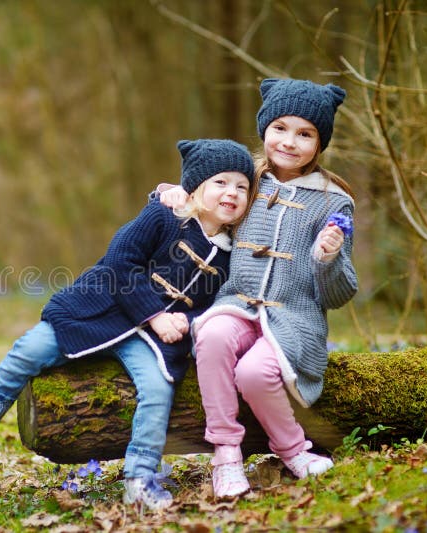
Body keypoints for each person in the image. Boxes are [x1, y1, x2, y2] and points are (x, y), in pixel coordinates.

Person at [0, 139, 255, 510]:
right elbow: (121, 259)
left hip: (155, 340)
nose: (231, 193)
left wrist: (188, 319)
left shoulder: (234, 253)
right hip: (103, 307)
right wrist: (156, 313)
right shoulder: (164, 216)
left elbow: (221, 304)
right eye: (221, 183)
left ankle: (141, 476)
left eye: (242, 187)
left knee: (158, 390)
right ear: (196, 187)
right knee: (32, 346)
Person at [158, 78, 358, 499]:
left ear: (320, 143)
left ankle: (293, 450)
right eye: (280, 128)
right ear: (264, 128)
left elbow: (338, 295)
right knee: (209, 334)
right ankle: (226, 454)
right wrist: (177, 198)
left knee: (254, 372)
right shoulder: (245, 179)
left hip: (294, 317)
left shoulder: (333, 201)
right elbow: (205, 207)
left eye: (305, 134)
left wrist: (327, 258)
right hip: (237, 304)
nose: (289, 141)